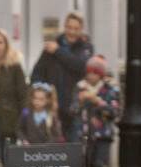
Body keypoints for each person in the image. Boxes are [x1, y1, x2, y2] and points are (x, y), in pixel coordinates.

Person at [31, 12, 94, 141]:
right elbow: (37, 73)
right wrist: (42, 91)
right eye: (69, 27)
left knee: (74, 149)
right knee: (53, 149)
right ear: (64, 27)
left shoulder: (86, 47)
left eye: (76, 29)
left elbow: (80, 65)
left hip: (75, 109)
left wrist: (58, 51)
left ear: (81, 29)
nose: (72, 32)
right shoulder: (51, 47)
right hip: (53, 108)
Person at [76, 56, 120, 167]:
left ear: (100, 74)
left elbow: (114, 112)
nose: (90, 76)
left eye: (94, 73)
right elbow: (72, 110)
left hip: (102, 136)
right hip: (84, 135)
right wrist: (80, 102)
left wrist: (97, 101)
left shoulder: (110, 89)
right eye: (88, 73)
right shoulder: (80, 88)